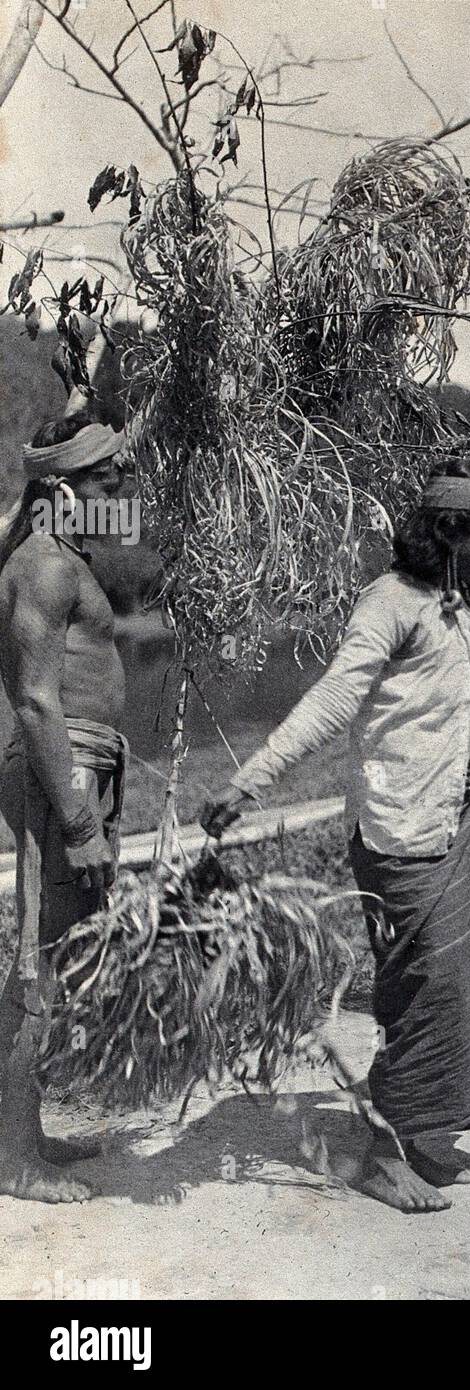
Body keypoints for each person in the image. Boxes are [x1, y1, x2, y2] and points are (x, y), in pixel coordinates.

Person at [202, 460, 470, 1213]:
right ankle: (383, 1150)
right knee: (425, 991)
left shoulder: (458, 606)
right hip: (405, 831)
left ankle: (422, 1130)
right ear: (450, 531)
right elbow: (333, 699)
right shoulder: (389, 605)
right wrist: (249, 780)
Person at [0, 410, 129, 1203]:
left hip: (83, 767)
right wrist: (78, 821)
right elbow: (37, 702)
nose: (120, 483)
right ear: (60, 486)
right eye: (104, 474)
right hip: (61, 773)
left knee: (60, 951)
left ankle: (24, 1131)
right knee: (38, 963)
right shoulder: (44, 567)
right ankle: (13, 1156)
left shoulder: (64, 556)